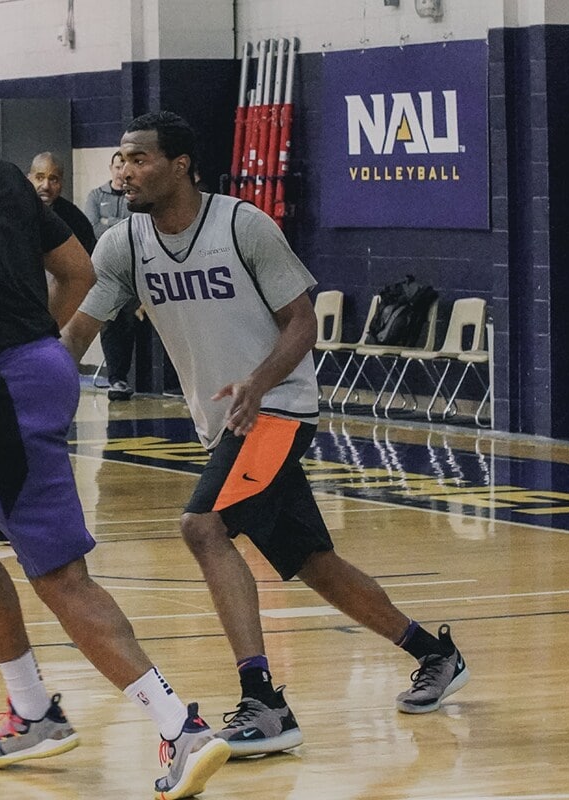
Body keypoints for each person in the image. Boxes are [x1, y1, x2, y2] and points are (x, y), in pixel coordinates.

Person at [0, 54, 230, 799]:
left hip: (1, 392)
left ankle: (179, 727)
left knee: (60, 575)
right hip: (29, 375)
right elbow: (79, 273)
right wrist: (36, 348)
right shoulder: (4, 177)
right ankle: (33, 713)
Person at [60, 110, 470, 759]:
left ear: (180, 166)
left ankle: (265, 703)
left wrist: (258, 382)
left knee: (203, 527)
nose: (125, 171)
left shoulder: (241, 225)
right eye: (122, 159)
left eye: (139, 158)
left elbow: (302, 323)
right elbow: (79, 332)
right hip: (224, 423)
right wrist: (29, 389)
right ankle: (435, 654)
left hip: (278, 408)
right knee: (314, 564)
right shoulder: (123, 244)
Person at [84, 150, 138, 401]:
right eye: (117, 166)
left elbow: (136, 227)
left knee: (127, 322)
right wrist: (119, 223)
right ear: (111, 168)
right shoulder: (96, 196)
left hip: (132, 270)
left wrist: (109, 222)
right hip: (104, 272)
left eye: (124, 166)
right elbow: (93, 228)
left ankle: (124, 378)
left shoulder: (134, 196)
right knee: (107, 322)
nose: (120, 171)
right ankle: (116, 378)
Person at [27, 151, 96, 255]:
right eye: (40, 178)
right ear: (29, 179)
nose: (46, 186)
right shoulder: (15, 212)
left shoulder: (75, 218)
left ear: (61, 183)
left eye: (53, 179)